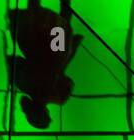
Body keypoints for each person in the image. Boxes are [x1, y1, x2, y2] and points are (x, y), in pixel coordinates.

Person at [7, 0, 82, 129]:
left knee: (62, 22)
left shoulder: (59, 97)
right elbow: (14, 60)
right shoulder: (24, 84)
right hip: (35, 44)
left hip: (55, 51)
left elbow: (68, 81)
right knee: (35, 13)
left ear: (45, 112)